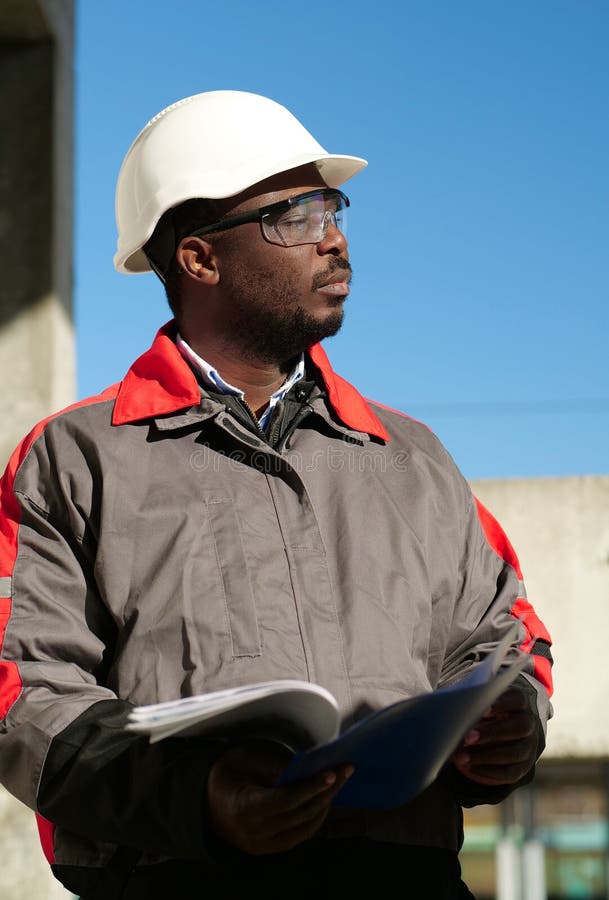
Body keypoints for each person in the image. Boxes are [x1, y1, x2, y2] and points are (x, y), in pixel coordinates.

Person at [0, 90, 553, 900]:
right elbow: (22, 691)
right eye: (293, 216)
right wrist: (198, 800)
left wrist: (510, 729)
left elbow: (510, 641)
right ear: (199, 259)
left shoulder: (413, 457)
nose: (332, 238)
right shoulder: (74, 459)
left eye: (331, 208)